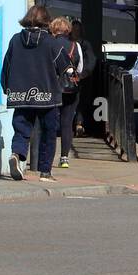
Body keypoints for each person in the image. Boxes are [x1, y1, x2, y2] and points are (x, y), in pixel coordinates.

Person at [0, 5, 75, 182]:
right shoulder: (50, 42)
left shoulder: (16, 40)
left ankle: (17, 154)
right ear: (46, 21)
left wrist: (6, 87)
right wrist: (70, 72)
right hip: (47, 94)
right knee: (48, 132)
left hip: (20, 94)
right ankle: (45, 172)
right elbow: (65, 64)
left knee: (22, 128)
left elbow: (7, 66)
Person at [51, 18, 82, 169]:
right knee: (67, 123)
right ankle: (64, 158)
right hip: (70, 89)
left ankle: (47, 157)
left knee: (50, 122)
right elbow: (80, 68)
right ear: (67, 30)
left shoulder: (49, 44)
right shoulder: (75, 46)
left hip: (52, 87)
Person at [70, 20, 96, 139]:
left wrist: (82, 75)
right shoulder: (70, 43)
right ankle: (77, 124)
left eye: (77, 29)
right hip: (75, 78)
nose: (75, 31)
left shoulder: (84, 45)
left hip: (81, 79)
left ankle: (78, 124)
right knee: (76, 102)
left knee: (80, 102)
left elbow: (91, 61)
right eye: (74, 29)